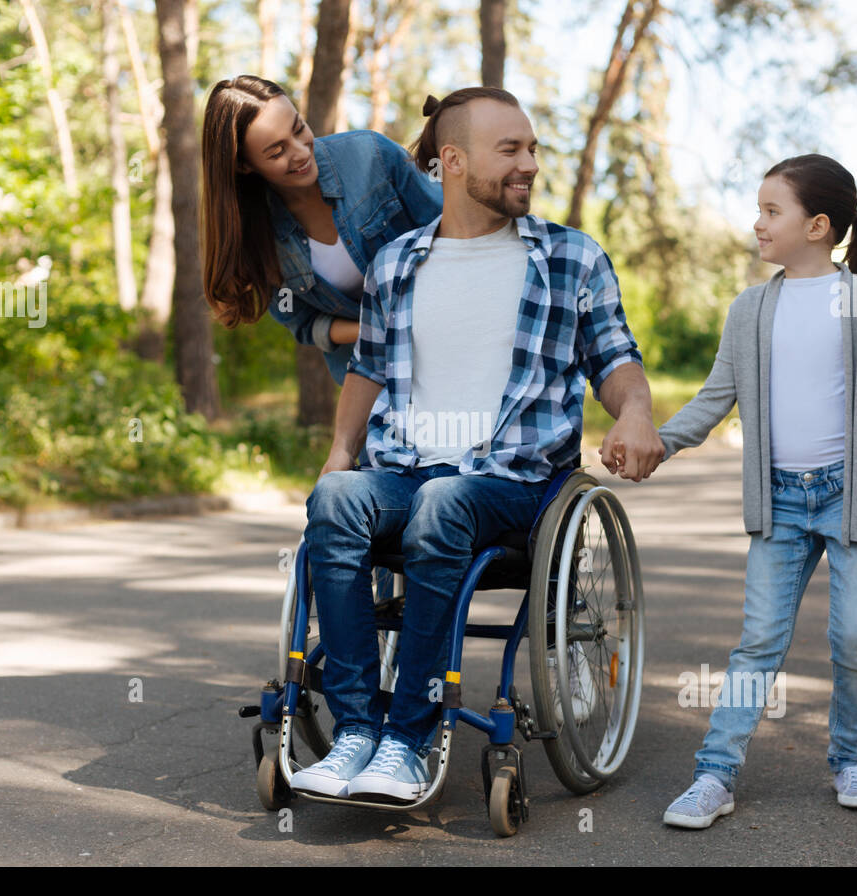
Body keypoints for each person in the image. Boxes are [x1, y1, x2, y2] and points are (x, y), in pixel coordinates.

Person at [289, 87, 664, 800]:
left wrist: (635, 412)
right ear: (452, 161)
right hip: (407, 471)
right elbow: (367, 367)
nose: (529, 164)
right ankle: (358, 733)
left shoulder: (570, 258)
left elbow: (614, 357)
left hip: (514, 484)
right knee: (337, 499)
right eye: (510, 150)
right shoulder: (397, 264)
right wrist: (340, 456)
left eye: (532, 149)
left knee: (445, 502)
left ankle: (407, 738)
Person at [656, 154, 857, 828]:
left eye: (773, 211)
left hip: (849, 499)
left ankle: (850, 760)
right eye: (760, 209)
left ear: (819, 226)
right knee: (759, 642)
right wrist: (660, 442)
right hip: (779, 502)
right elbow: (716, 397)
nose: (758, 222)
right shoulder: (751, 308)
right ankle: (715, 776)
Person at [199, 75, 443, 384]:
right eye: (276, 152)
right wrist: (375, 329)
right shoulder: (258, 239)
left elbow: (451, 227)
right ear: (244, 166)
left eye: (299, 128)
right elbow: (305, 323)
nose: (300, 152)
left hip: (451, 335)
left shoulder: (370, 155)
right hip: (376, 380)